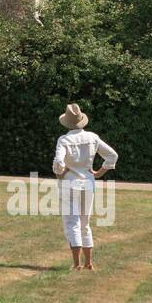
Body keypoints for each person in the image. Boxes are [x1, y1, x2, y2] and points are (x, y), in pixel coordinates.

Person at [51, 104, 117, 271]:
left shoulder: (64, 140)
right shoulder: (92, 137)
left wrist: (61, 172)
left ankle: (76, 265)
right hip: (88, 184)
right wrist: (100, 172)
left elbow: (58, 162)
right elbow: (112, 155)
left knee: (71, 222)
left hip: (69, 185)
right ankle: (88, 263)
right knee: (85, 223)